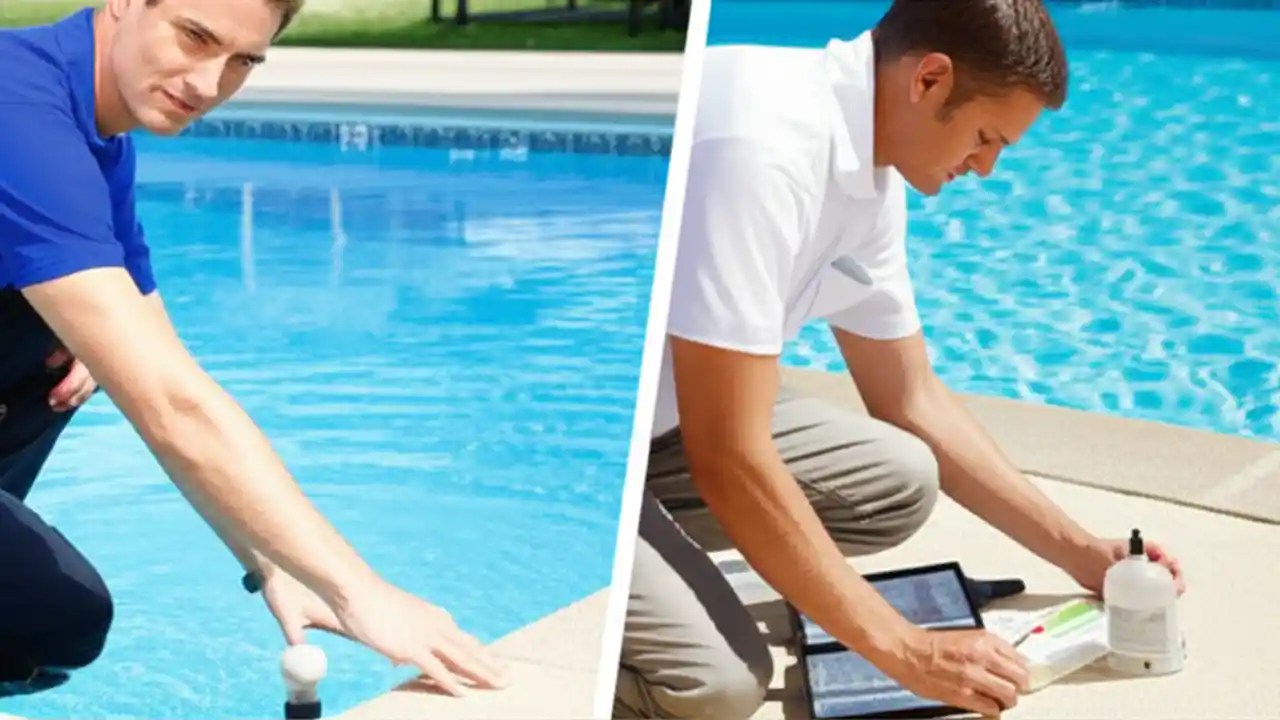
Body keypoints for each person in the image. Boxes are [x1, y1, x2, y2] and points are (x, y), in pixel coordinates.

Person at [614, 1, 1185, 718]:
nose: (987, 168)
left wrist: (1082, 554)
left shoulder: (871, 168)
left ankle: (669, 562)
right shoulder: (758, 147)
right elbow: (729, 453)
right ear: (929, 80)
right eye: (985, 137)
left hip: (666, 425)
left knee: (900, 479)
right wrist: (904, 649)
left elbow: (910, 398)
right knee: (717, 687)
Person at [0, 0, 506, 697]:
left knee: (79, 340)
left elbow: (157, 360)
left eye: (242, 60)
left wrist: (271, 562)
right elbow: (171, 404)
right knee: (52, 617)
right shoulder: (17, 109)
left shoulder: (96, 136)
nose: (208, 84)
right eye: (194, 37)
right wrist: (362, 593)